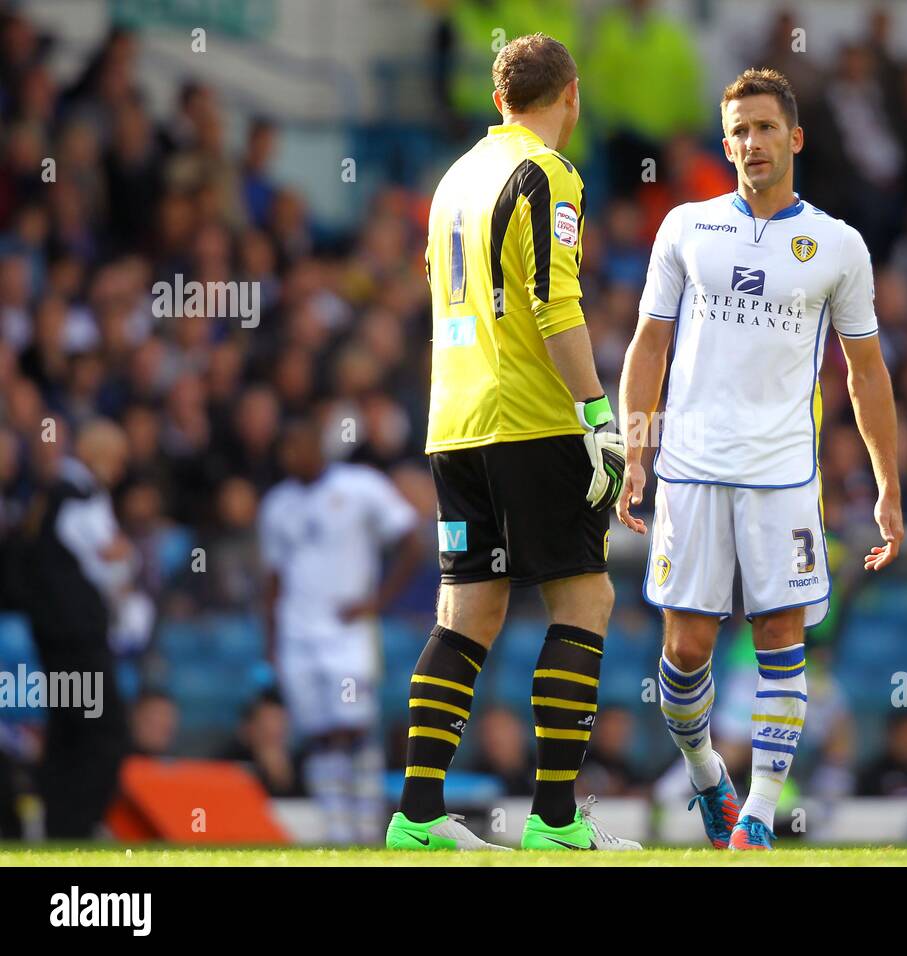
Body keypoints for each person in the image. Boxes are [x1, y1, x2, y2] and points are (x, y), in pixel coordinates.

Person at [617, 68, 903, 850]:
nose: (752, 143)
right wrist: (633, 449)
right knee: (685, 652)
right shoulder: (685, 227)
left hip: (784, 475)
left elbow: (867, 373)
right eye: (739, 130)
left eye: (766, 128)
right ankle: (708, 774)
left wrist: (887, 485)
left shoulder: (838, 246)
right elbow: (650, 344)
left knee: (781, 637)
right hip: (691, 468)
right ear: (726, 142)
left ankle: (759, 815)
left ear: (795, 137)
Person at [387, 33, 639, 852]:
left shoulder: (453, 179)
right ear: (571, 97)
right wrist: (599, 416)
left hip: (453, 421)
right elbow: (554, 304)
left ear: (498, 101)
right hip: (529, 416)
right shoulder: (548, 173)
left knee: (467, 609)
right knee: (585, 599)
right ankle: (557, 821)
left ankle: (417, 816)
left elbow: (437, 293)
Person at [259, 417, 423, 844]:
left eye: (298, 446)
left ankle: (368, 828)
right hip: (297, 636)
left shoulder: (360, 487)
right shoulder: (277, 505)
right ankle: (336, 833)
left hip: (347, 632)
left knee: (353, 728)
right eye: (285, 450)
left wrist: (379, 601)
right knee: (319, 734)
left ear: (318, 447)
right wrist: (271, 642)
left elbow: (412, 541)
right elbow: (273, 580)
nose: (290, 457)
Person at [12, 419, 133, 838]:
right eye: (117, 460)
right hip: (79, 639)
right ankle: (77, 826)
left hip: (54, 638)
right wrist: (120, 554)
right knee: (102, 732)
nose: (119, 471)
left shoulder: (48, 498)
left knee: (68, 730)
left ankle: (57, 825)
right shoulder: (79, 496)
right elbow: (108, 557)